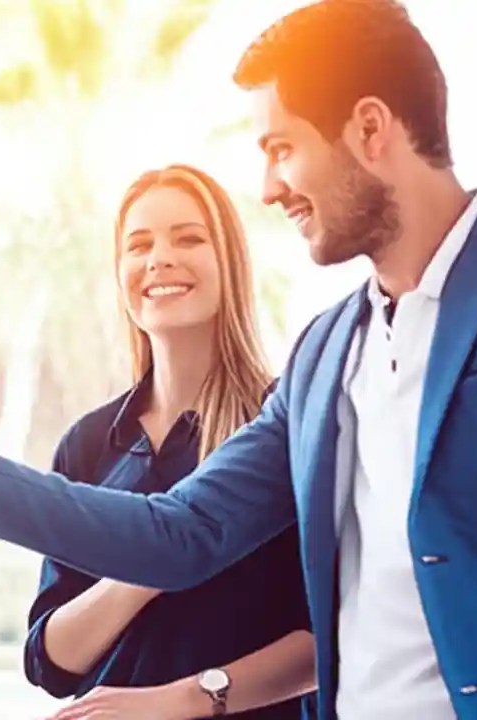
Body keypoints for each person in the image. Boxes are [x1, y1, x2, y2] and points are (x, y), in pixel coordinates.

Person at [0, 1, 477, 718]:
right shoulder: (325, 356)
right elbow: (182, 532)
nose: (269, 188)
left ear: (370, 129)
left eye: (282, 149)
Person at [24, 164, 315, 720]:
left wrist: (176, 702)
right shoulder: (88, 444)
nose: (159, 259)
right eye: (139, 245)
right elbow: (51, 661)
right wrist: (151, 563)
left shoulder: (286, 425)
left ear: (229, 263)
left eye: (188, 238)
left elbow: (327, 637)